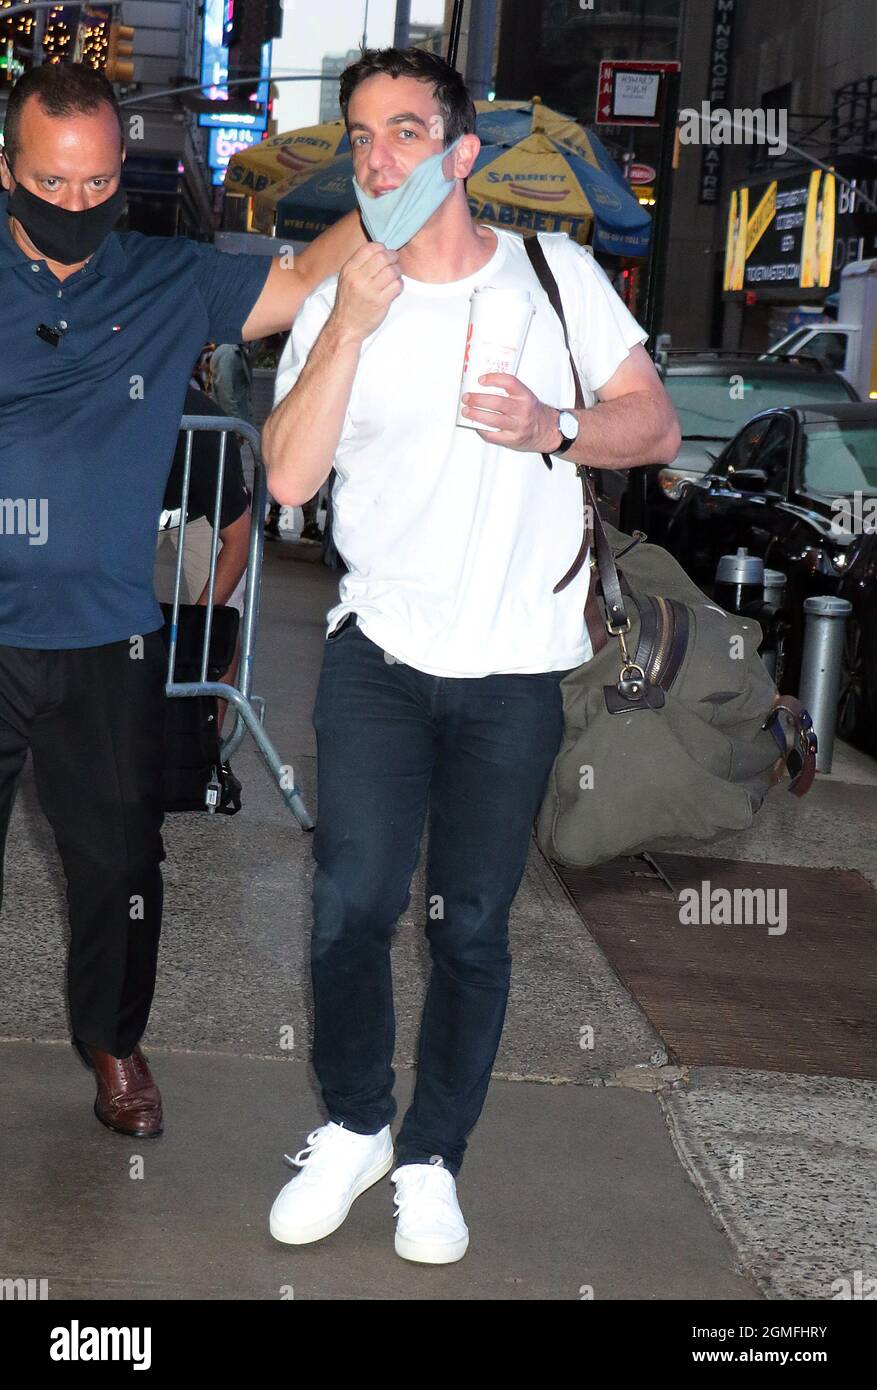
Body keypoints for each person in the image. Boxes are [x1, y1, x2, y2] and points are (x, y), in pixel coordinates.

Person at [262, 47, 680, 1263]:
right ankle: (352, 1126)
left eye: (401, 132)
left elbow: (649, 423)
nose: (375, 156)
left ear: (456, 155)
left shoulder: (553, 279)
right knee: (350, 905)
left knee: (471, 927)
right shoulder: (346, 297)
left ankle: (433, 1155)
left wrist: (556, 426)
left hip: (513, 674)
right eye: (358, 136)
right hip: (379, 656)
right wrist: (348, 321)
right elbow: (288, 476)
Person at [0, 62, 365, 1140]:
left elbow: (298, 284)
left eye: (96, 185)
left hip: (108, 633)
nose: (75, 206)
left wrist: (397, 193)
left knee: (121, 865)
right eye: (52, 183)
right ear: (10, 169)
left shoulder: (167, 278)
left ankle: (114, 1043)